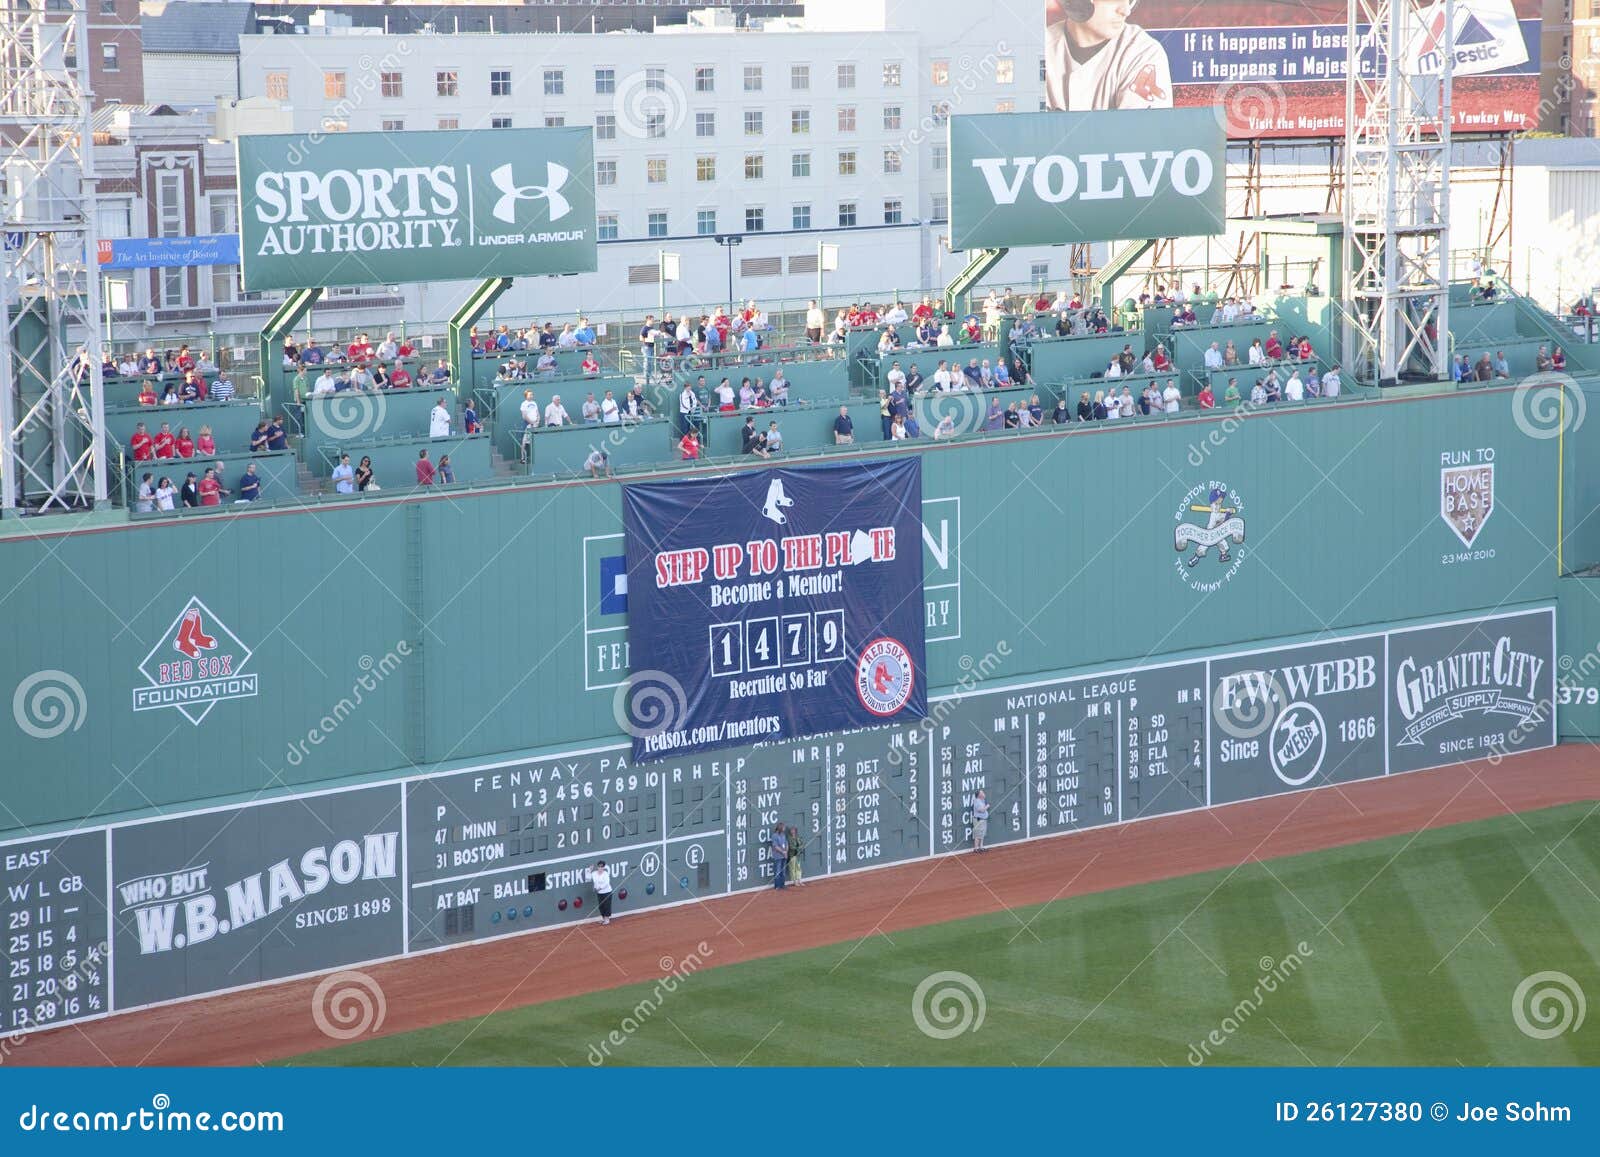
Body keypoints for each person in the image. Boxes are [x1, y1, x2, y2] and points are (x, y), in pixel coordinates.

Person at [589, 859, 614, 925]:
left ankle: (607, 919)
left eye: (602, 867)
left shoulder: (605, 874)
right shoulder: (594, 873)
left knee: (606, 906)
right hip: (599, 893)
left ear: (603, 867)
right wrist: (590, 870)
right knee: (601, 906)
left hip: (607, 892)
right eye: (599, 866)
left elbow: (607, 883)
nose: (600, 868)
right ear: (597, 867)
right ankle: (603, 918)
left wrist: (600, 888)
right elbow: (588, 878)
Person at [770, 824, 789, 889]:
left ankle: (782, 885)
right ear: (780, 828)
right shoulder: (774, 836)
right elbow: (775, 846)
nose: (784, 829)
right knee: (777, 871)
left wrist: (786, 852)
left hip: (784, 856)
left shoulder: (783, 835)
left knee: (783, 871)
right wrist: (783, 852)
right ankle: (777, 885)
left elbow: (786, 844)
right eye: (783, 828)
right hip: (778, 856)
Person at [972, 789, 989, 853]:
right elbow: (981, 810)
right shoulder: (977, 801)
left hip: (983, 820)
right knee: (978, 834)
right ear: (979, 795)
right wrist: (987, 806)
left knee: (982, 834)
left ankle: (981, 847)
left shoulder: (982, 800)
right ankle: (976, 848)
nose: (984, 793)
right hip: (978, 820)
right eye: (982, 793)